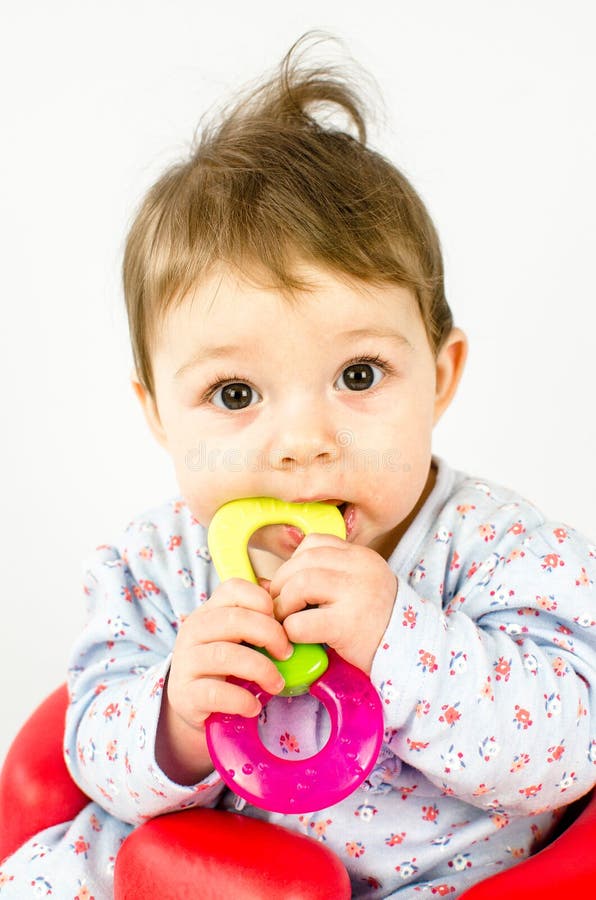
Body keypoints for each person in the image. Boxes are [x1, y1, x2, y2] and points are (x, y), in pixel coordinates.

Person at [2, 33, 595, 899]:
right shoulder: (155, 567)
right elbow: (88, 751)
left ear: (440, 376)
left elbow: (572, 748)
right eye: (236, 393)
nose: (301, 441)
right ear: (157, 415)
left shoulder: (503, 551)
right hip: (202, 875)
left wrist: (404, 643)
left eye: (358, 376)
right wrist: (173, 721)